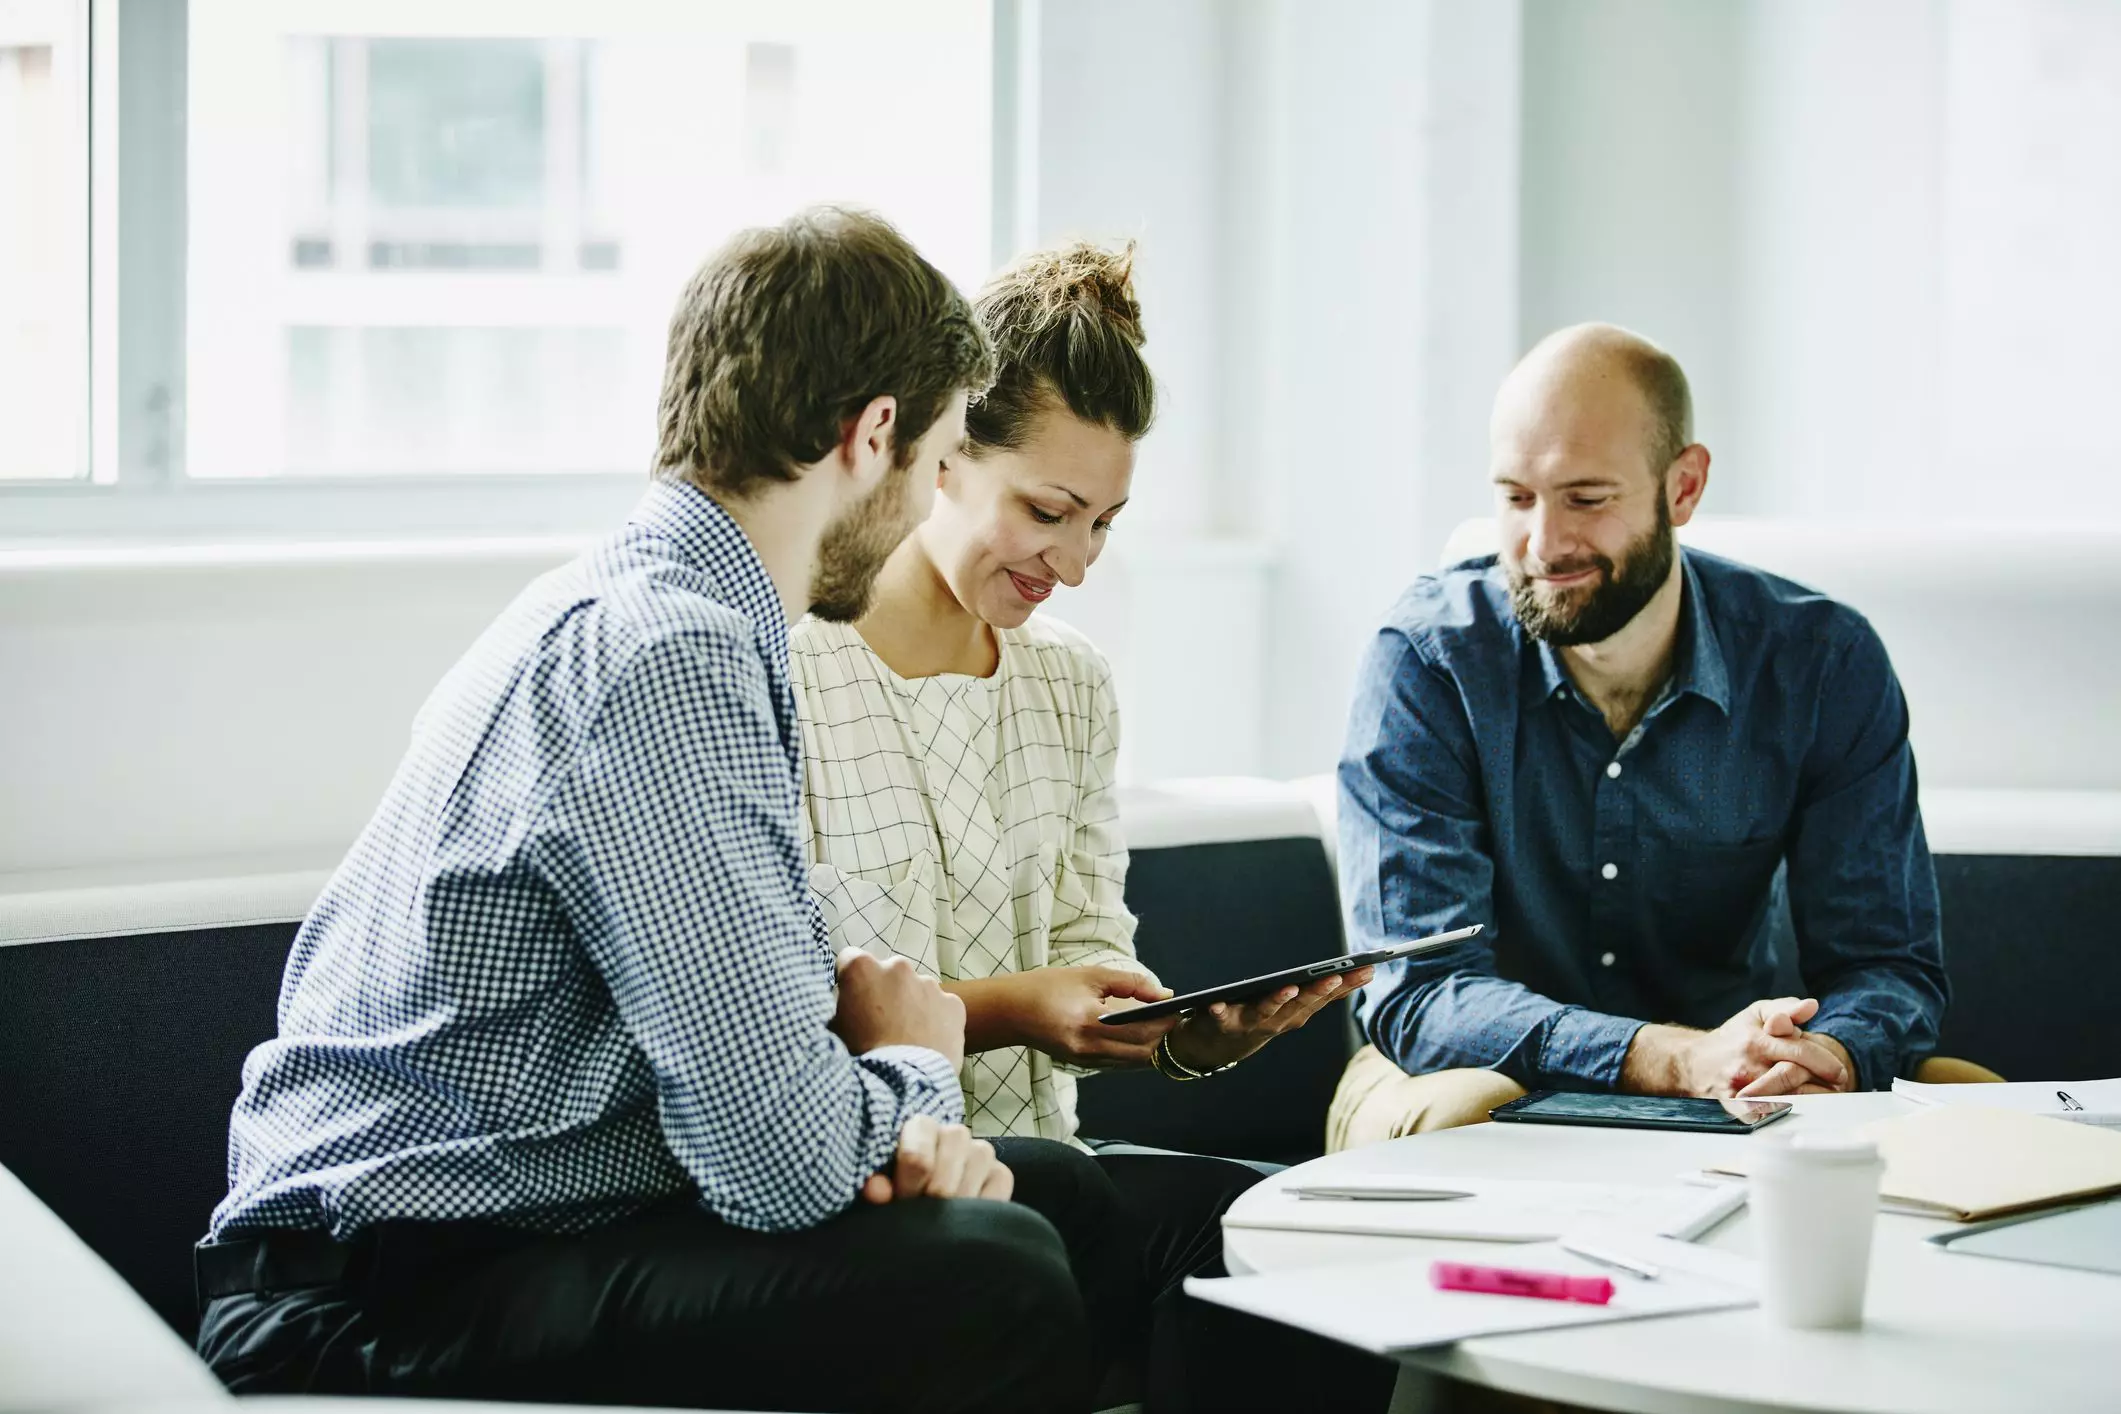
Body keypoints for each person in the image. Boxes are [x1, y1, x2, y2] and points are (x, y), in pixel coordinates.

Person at [194, 208, 1131, 1414]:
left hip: (519, 1229)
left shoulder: (664, 611)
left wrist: (886, 1083)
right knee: (992, 1273)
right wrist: (913, 1068)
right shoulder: (665, 654)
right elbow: (780, 1160)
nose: (919, 508)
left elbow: (767, 1072)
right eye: (938, 458)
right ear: (874, 436)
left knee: (1070, 1203)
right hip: (377, 1293)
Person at [791, 241, 1390, 1413]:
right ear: (942, 454)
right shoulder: (795, 668)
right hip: (893, 1175)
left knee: (1312, 1243)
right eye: (1048, 510)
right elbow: (799, 1014)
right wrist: (1019, 1005)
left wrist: (1182, 1036)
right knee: (1225, 1248)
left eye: (1105, 522)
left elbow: (1089, 947)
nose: (1072, 561)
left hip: (1055, 1167)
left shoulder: (1071, 685)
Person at [1328, 323, 1997, 1152]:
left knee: (1978, 1106)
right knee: (1465, 1110)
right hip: (1461, 1072)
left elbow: (1886, 964)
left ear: (1682, 488)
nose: (1540, 543)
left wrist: (1824, 1054)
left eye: (1586, 498)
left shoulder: (1820, 661)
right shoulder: (1428, 659)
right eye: (1514, 497)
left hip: (1732, 1079)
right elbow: (1421, 994)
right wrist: (1667, 1056)